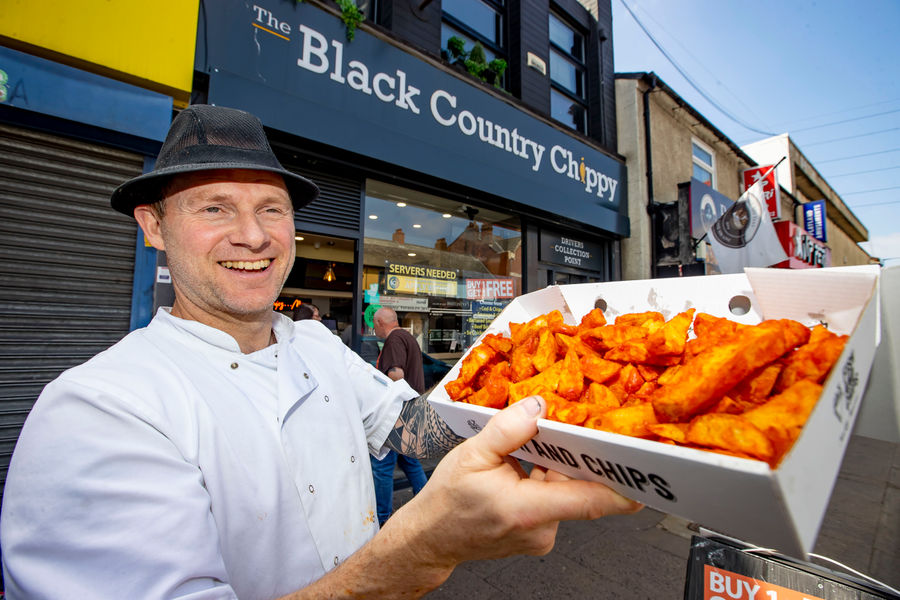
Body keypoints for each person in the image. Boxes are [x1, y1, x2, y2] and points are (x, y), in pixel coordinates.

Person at [0, 104, 641, 599]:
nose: (251, 236)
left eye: (271, 208)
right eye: (214, 206)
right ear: (153, 227)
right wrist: (420, 549)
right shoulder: (98, 408)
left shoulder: (315, 343)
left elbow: (420, 428)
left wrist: (582, 438)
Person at [370, 306, 430, 526]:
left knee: (382, 466)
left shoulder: (393, 340)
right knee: (410, 463)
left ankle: (382, 519)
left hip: (397, 414)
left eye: (374, 325)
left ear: (380, 323)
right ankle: (427, 505)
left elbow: (396, 375)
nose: (373, 329)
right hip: (412, 412)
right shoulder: (407, 337)